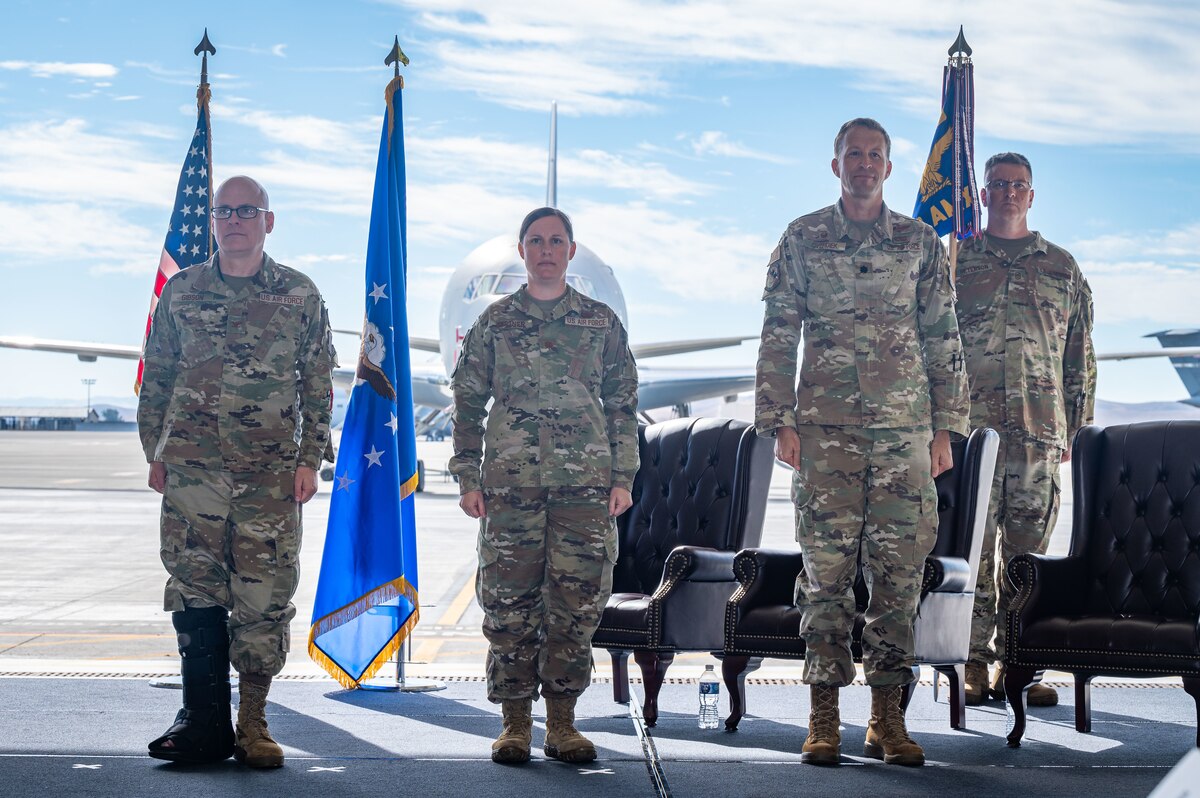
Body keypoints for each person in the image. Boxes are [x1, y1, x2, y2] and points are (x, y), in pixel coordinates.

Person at [756, 118, 969, 768]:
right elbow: (776, 331)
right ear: (836, 164)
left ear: (888, 166)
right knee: (826, 581)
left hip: (905, 442)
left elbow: (943, 337)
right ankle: (823, 717)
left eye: (876, 155)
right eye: (855, 154)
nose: (865, 164)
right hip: (826, 441)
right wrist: (780, 419)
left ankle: (887, 720)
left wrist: (946, 429)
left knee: (899, 581)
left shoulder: (918, 242)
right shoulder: (802, 238)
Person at [138, 175, 337, 769]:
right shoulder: (182, 291)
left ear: (268, 221)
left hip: (270, 477)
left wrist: (309, 459)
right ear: (215, 221)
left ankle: (253, 723)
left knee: (263, 597)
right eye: (224, 210)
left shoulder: (300, 295)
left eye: (247, 210)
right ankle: (202, 720)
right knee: (195, 587)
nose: (234, 220)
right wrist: (156, 450)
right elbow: (158, 375)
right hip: (193, 470)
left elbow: (318, 384)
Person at [450, 207, 639, 766]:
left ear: (571, 251)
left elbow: (624, 404)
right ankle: (514, 725)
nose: (547, 250)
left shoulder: (600, 323)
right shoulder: (496, 322)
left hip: (584, 491)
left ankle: (562, 724)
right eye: (536, 241)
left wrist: (623, 477)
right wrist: (467, 475)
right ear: (523, 250)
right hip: (511, 489)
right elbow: (466, 401)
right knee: (510, 607)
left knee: (575, 607)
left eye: (557, 241)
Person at [955, 152, 1096, 707]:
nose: (1009, 193)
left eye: (1019, 185)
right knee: (971, 554)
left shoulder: (1062, 268)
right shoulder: (955, 264)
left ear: (1032, 196)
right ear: (983, 194)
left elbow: (1078, 358)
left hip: (1040, 437)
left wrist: (1077, 432)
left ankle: (1021, 665)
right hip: (972, 440)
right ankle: (969, 662)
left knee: (1026, 559)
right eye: (998, 185)